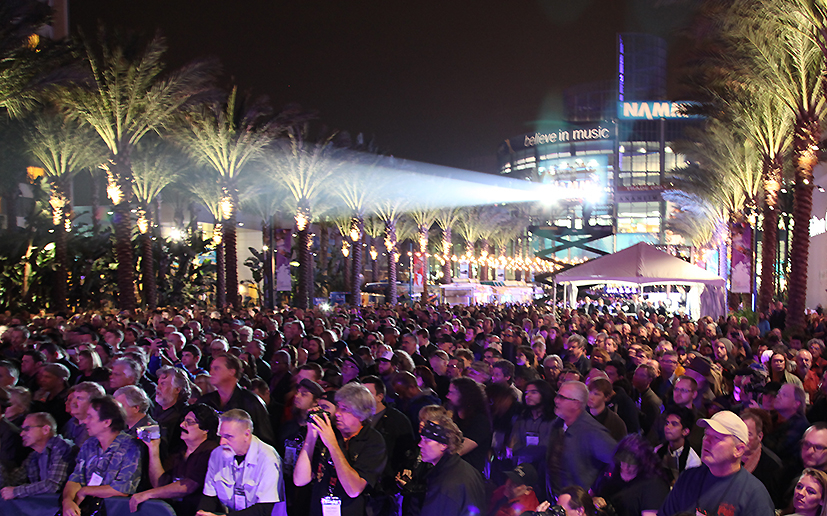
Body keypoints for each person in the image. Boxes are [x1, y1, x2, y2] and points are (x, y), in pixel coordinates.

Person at [294, 382, 387, 516]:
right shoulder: (330, 432)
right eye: (338, 407)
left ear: (361, 414)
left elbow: (354, 489)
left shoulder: (373, 441)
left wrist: (332, 444)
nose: (337, 413)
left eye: (345, 409)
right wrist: (311, 436)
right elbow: (300, 480)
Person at [657, 410, 774, 516]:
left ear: (738, 450)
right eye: (706, 434)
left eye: (717, 437)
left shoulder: (754, 495)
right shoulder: (687, 479)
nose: (706, 441)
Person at [129, 403, 219, 516]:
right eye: (183, 420)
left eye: (189, 422)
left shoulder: (211, 452)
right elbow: (159, 484)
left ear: (205, 428)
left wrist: (147, 494)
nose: (182, 425)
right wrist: (154, 449)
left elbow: (188, 486)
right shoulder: (179, 451)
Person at [61, 396, 142, 516]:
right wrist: (67, 501)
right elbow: (76, 478)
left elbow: (122, 489)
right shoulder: (89, 444)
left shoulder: (130, 446)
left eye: (90, 416)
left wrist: (85, 491)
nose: (84, 421)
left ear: (106, 422)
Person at [198, 409, 285, 516]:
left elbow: (265, 509)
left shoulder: (268, 458)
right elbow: (209, 496)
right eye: (220, 436)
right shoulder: (217, 454)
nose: (222, 442)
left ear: (247, 434)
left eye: (228, 437)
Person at [546, 381, 616, 499]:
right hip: (557, 502)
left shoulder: (593, 432)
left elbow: (617, 462)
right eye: (557, 395)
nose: (556, 400)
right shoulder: (556, 426)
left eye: (562, 397)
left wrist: (595, 491)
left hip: (578, 506)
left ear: (576, 404)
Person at [197, 353, 275, 445]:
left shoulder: (251, 402)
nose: (211, 372)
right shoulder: (205, 401)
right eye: (211, 368)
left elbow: (265, 439)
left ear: (232, 372)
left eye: (216, 368)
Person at [418, 415, 486, 516]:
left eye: (427, 441)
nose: (420, 444)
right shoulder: (467, 469)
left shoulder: (446, 485)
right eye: (421, 439)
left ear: (443, 445)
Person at [0, 412, 74, 500]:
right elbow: (12, 482)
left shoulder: (61, 447)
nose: (21, 434)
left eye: (27, 429)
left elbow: (53, 485)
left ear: (45, 429)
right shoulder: (34, 456)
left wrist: (16, 491)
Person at [593, 433, 670, 516]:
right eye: (623, 461)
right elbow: (589, 496)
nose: (626, 467)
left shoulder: (654, 485)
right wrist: (594, 501)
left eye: (631, 464)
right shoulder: (610, 473)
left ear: (642, 462)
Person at [446, 377, 492, 473]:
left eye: (452, 393)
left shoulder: (480, 421)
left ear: (464, 395)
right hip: (452, 471)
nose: (448, 396)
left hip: (467, 474)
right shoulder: (455, 418)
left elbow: (460, 450)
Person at [653, 405, 701, 483]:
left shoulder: (693, 462)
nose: (668, 427)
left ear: (685, 431)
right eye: (667, 423)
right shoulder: (658, 450)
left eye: (674, 424)